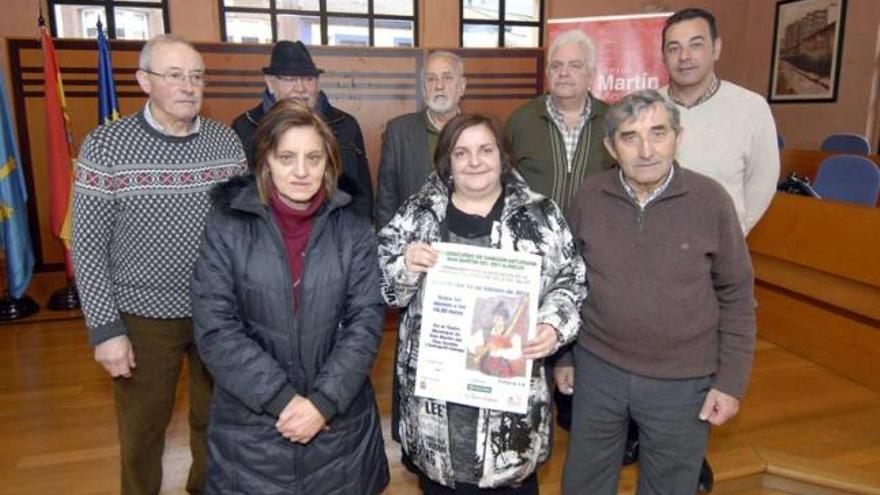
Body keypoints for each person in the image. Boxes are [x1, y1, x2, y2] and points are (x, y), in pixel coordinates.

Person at [71, 34, 248, 495]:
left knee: (217, 420)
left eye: (197, 76)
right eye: (174, 75)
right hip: (142, 319)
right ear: (144, 81)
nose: (188, 87)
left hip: (218, 310)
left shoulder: (226, 141)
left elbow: (245, 228)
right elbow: (86, 245)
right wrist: (105, 330)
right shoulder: (106, 146)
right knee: (143, 430)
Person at [560, 90, 756, 495]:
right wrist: (564, 357)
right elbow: (567, 282)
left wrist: (730, 381)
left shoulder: (711, 201)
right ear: (610, 147)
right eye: (630, 137)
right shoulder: (589, 197)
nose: (646, 150)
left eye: (658, 133)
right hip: (598, 368)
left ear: (678, 138)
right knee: (584, 483)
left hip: (682, 380)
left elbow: (737, 295)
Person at [378, 114, 586, 493]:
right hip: (435, 408)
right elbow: (382, 283)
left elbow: (571, 281)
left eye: (485, 150)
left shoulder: (540, 214)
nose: (474, 161)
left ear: (502, 157)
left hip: (510, 414)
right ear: (448, 162)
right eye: (462, 152)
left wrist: (553, 325)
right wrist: (405, 265)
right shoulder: (418, 212)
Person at [192, 99, 389, 494]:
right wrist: (282, 400)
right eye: (287, 157)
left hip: (340, 431)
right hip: (252, 430)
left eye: (313, 158)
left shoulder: (353, 226)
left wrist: (322, 404)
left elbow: (366, 321)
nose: (301, 171)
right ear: (265, 160)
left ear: (329, 164)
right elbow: (215, 327)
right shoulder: (227, 224)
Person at [660, 7, 780, 234]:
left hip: (720, 244)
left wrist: (733, 233)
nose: (684, 57)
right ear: (663, 57)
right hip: (655, 240)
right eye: (673, 48)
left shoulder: (752, 108)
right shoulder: (646, 106)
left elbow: (762, 182)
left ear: (716, 48)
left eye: (696, 45)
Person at [232, 40, 374, 219]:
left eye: (308, 79)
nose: (300, 88)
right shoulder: (245, 127)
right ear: (270, 82)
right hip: (268, 230)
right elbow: (240, 198)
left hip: (338, 229)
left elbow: (363, 194)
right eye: (290, 79)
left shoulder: (345, 125)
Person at [507, 29, 614, 213]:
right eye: (556, 66)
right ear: (548, 74)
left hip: (597, 228)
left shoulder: (613, 121)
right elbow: (503, 182)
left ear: (591, 75)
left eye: (575, 65)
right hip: (534, 229)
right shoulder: (520, 121)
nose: (564, 73)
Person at [375, 50, 467, 227]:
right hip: (414, 239)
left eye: (447, 78)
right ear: (424, 89)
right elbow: (386, 202)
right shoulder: (398, 132)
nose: (439, 86)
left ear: (462, 87)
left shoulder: (479, 133)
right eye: (431, 79)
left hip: (465, 238)